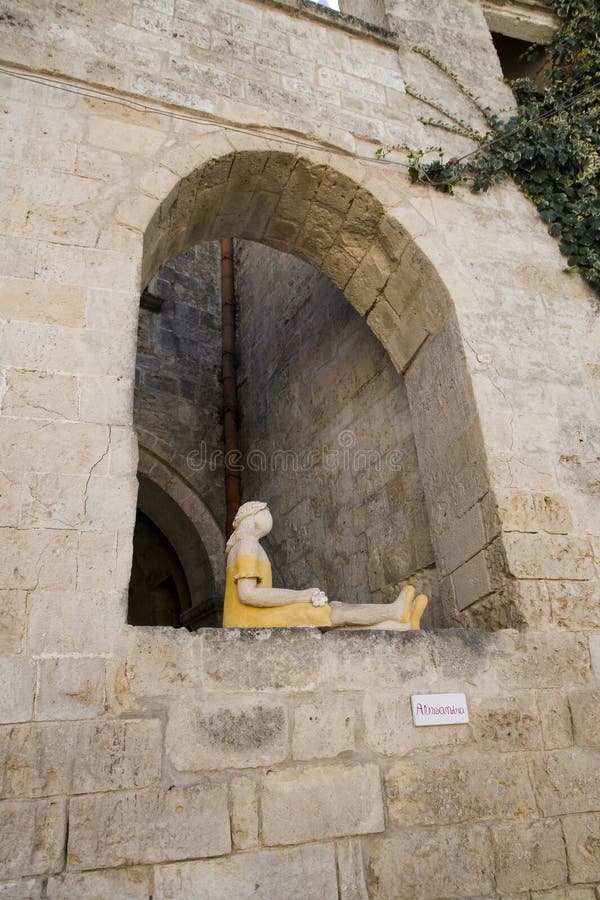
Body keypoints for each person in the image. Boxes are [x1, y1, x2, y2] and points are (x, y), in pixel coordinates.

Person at [222, 500, 428, 630]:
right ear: (254, 518)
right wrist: (300, 596)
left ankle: (400, 625)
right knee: (330, 612)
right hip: (250, 620)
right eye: (264, 511)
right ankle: (394, 612)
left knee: (331, 615)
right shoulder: (248, 543)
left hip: (252, 617)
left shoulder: (243, 546)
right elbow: (248, 594)